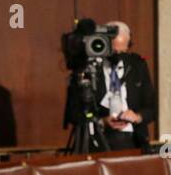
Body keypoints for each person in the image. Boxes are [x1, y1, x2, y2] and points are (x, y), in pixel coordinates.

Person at [62, 21, 157, 152]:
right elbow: (73, 114)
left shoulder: (137, 66)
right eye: (113, 52)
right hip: (98, 140)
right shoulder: (87, 69)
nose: (117, 56)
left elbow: (152, 107)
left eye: (122, 52)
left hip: (133, 140)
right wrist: (102, 121)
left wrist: (137, 116)